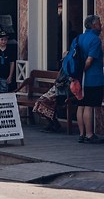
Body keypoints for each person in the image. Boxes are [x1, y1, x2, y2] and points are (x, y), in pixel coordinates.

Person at [75, 14, 104, 144]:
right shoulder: (95, 40)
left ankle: (81, 133)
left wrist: (77, 74)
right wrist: (83, 71)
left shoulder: (78, 38)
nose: (101, 25)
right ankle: (89, 134)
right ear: (93, 25)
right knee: (89, 105)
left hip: (79, 78)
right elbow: (90, 60)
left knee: (81, 105)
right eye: (99, 23)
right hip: (92, 78)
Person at [33, 62, 71, 133]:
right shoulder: (63, 70)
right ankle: (52, 123)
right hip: (56, 91)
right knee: (39, 102)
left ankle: (55, 124)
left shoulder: (70, 71)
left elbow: (65, 85)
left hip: (63, 94)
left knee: (44, 103)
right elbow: (57, 83)